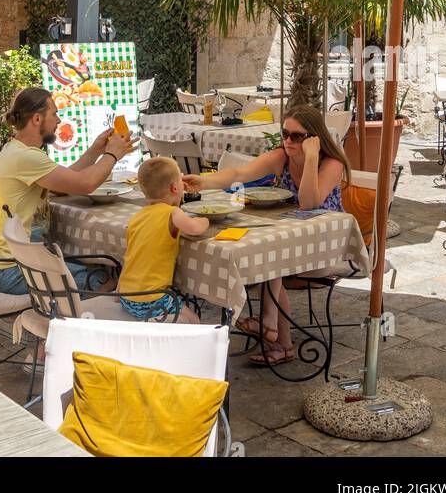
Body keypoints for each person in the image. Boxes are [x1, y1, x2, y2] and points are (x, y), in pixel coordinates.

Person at [184, 103, 349, 366]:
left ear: (314, 138)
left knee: (271, 257)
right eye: (285, 133)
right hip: (291, 236)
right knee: (267, 254)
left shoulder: (332, 163)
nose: (288, 141)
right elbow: (239, 174)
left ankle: (272, 328)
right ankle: (279, 340)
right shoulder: (281, 156)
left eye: (297, 136)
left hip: (325, 243)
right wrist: (203, 181)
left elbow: (309, 203)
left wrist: (310, 158)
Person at [0, 85, 132, 295]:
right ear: (37, 119)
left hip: (6, 263)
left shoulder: (16, 150)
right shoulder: (26, 157)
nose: (59, 120)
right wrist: (113, 154)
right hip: (11, 270)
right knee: (103, 280)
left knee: (97, 272)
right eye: (54, 114)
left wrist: (95, 151)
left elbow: (66, 181)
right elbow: (85, 184)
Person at [118, 157, 208, 323]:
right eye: (181, 179)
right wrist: (204, 220)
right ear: (175, 188)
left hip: (126, 296)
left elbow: (129, 257)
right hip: (153, 299)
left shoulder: (137, 217)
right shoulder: (172, 213)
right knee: (194, 321)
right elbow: (194, 229)